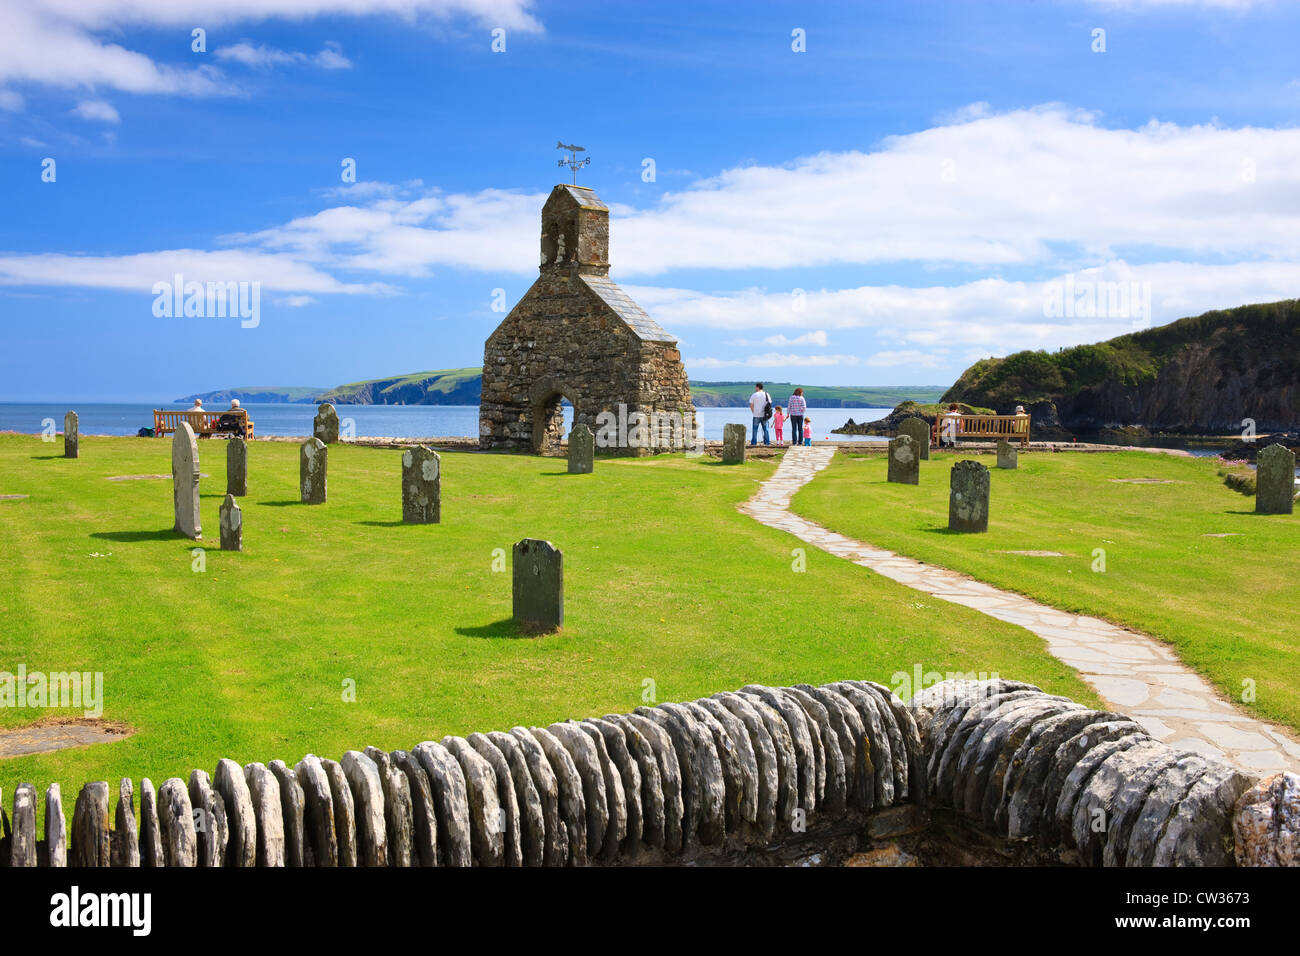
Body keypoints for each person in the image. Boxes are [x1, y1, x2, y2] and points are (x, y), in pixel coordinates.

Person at [748, 382, 772, 446]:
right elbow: (769, 403)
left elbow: (751, 404)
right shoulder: (767, 394)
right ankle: (767, 442)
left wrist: (753, 411)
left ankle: (754, 443)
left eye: (755, 387)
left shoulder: (754, 395)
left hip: (756, 415)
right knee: (766, 429)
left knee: (755, 429)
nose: (755, 388)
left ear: (758, 387)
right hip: (764, 415)